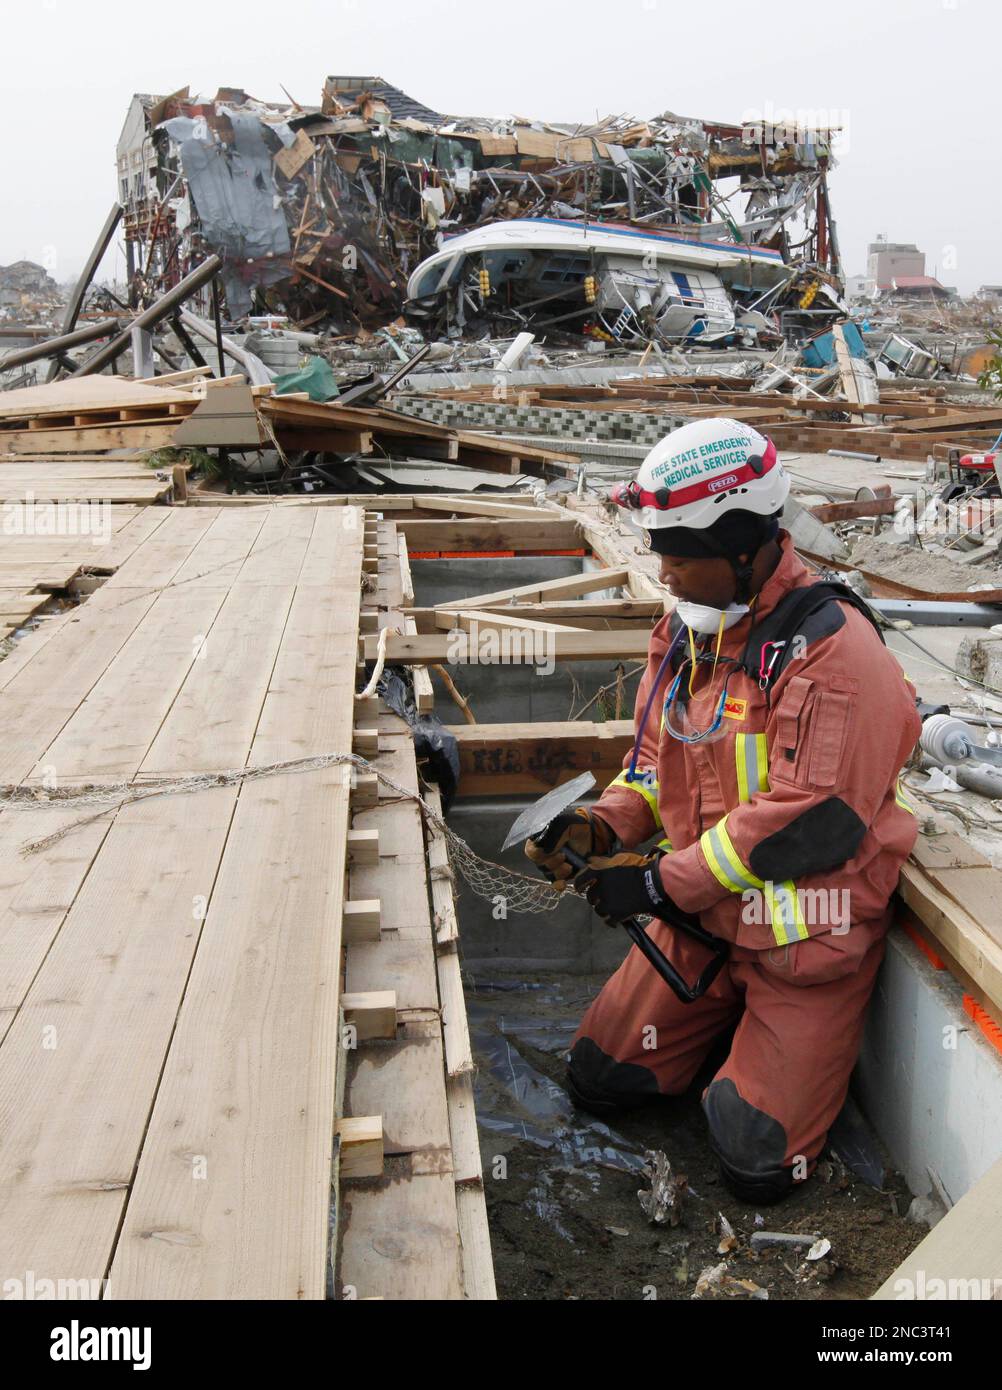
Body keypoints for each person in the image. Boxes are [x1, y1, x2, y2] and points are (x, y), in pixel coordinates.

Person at [526, 417, 921, 1204]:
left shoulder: (829, 652)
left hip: (802, 944)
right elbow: (654, 761)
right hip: (703, 923)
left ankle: (756, 1050)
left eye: (678, 556)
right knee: (600, 1078)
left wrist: (656, 886)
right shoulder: (685, 633)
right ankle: (723, 1033)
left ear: (745, 545)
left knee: (759, 1163)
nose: (663, 574)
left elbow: (809, 823)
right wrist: (607, 824)